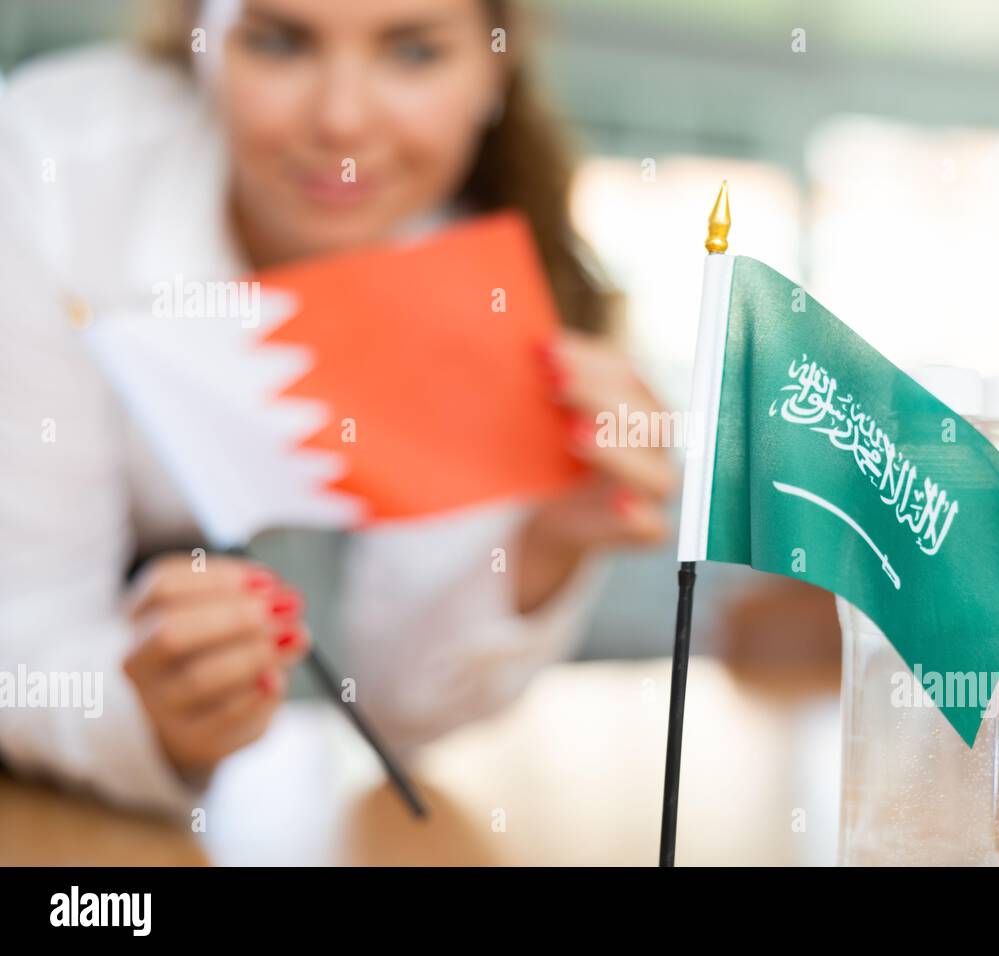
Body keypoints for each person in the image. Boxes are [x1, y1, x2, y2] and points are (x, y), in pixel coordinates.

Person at [0, 0, 673, 814]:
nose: (341, 121)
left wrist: (544, 540)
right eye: (280, 43)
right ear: (196, 37)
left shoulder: (483, 283)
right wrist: (139, 718)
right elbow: (23, 629)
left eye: (415, 53)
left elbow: (402, 707)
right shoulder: (48, 166)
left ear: (496, 65)